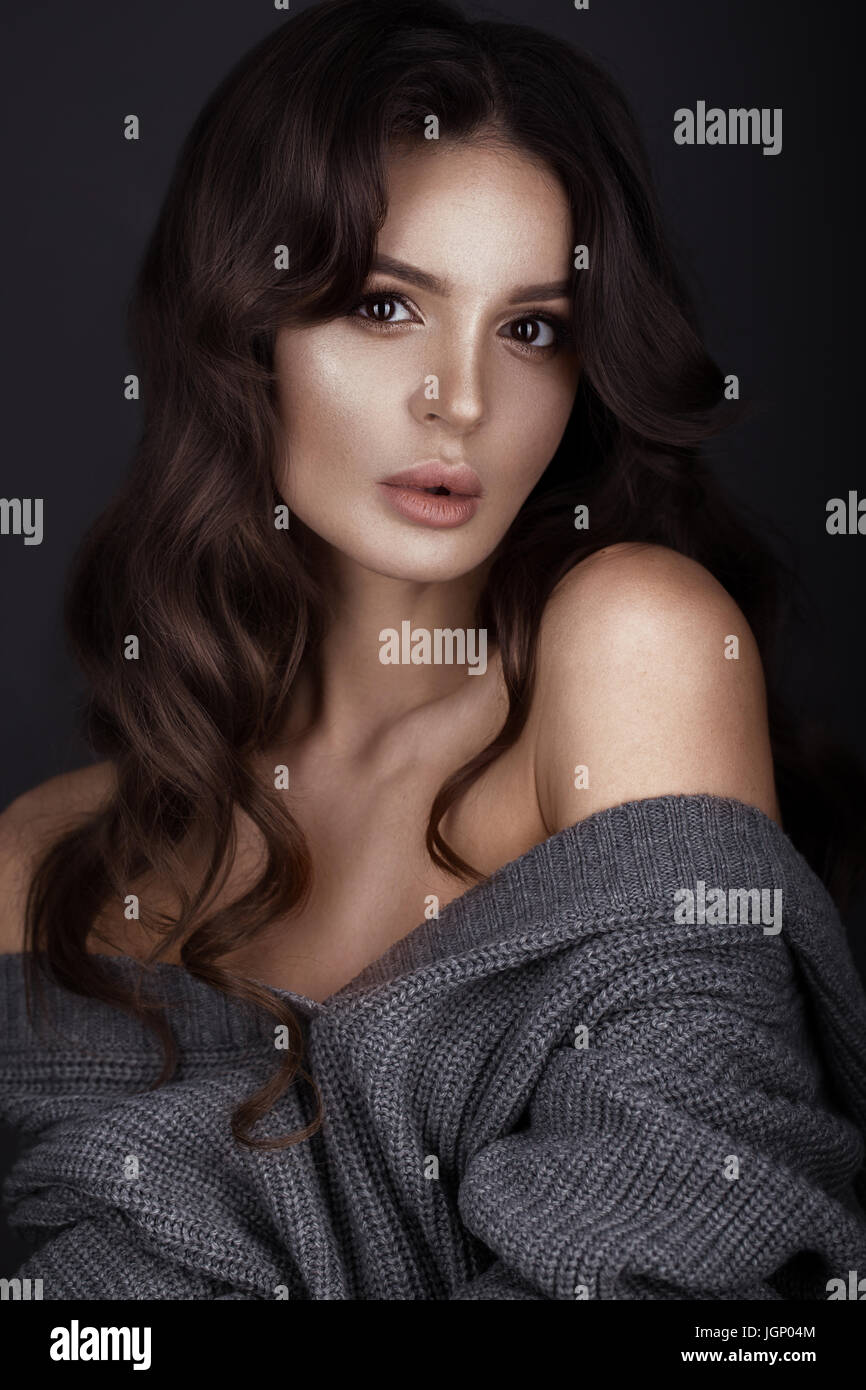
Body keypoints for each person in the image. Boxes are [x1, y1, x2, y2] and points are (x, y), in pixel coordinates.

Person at [1, 0, 865, 1300]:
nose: (459, 399)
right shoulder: (42, 869)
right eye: (384, 305)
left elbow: (687, 1253)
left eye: (529, 328)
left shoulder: (638, 640)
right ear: (248, 329)